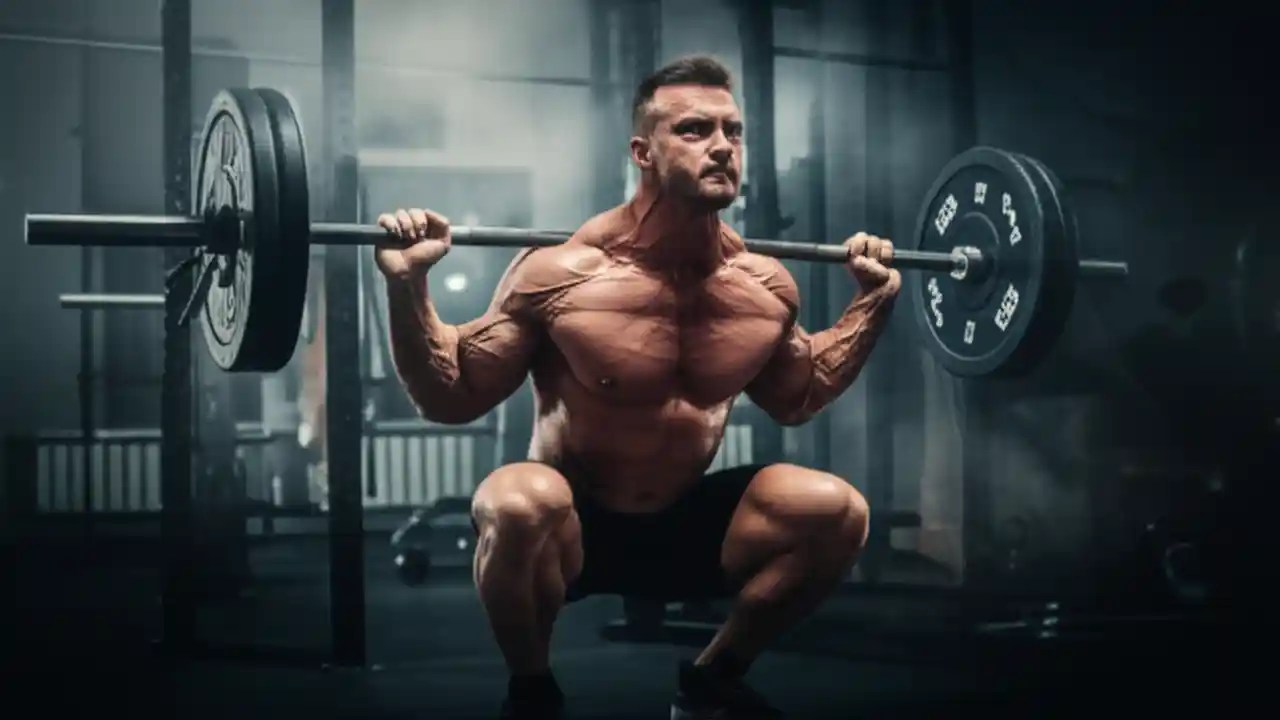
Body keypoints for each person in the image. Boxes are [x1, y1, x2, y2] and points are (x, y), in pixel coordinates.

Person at [375, 55, 900, 720]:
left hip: (685, 525)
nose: (722, 147)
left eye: (733, 132)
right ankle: (532, 690)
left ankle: (715, 675)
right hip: (573, 526)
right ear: (642, 152)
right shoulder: (561, 275)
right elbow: (450, 396)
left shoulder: (763, 287)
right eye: (695, 130)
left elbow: (797, 397)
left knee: (840, 512)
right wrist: (406, 285)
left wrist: (872, 304)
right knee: (516, 502)